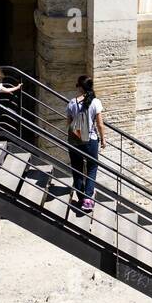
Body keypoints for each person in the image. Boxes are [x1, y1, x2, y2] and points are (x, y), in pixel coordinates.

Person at [66, 74, 105, 214]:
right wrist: (103, 140)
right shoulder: (96, 102)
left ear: (80, 88)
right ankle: (88, 199)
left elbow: (69, 123)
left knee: (77, 169)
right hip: (90, 140)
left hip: (75, 140)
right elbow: (100, 124)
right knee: (92, 167)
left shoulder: (72, 102)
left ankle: (81, 197)